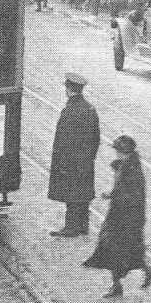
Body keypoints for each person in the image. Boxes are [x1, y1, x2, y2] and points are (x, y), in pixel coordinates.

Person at [83, 135, 151, 298]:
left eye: (119, 151)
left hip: (127, 217)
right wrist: (111, 195)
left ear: (125, 152)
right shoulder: (125, 166)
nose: (117, 154)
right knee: (123, 250)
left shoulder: (133, 171)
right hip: (121, 214)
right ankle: (140, 272)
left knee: (116, 248)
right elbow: (122, 190)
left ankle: (119, 284)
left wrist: (116, 199)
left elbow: (133, 196)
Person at [48, 73, 100, 238]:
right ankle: (82, 226)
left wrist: (61, 162)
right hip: (85, 160)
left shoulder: (69, 111)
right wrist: (90, 156)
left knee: (71, 194)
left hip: (70, 160)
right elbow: (96, 137)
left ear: (68, 89)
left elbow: (62, 140)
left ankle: (70, 228)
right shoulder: (90, 109)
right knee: (83, 193)